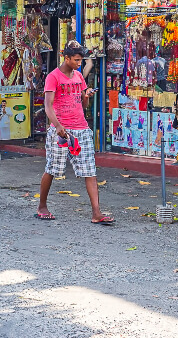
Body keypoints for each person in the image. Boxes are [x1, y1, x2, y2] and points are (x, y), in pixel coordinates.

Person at [36, 40, 114, 225]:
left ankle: (96, 212)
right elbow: (47, 106)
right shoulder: (53, 77)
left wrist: (85, 96)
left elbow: (83, 105)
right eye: (77, 60)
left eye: (81, 60)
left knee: (90, 171)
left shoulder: (79, 76)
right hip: (61, 130)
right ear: (67, 58)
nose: (80, 63)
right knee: (53, 169)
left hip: (81, 128)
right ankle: (42, 206)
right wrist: (57, 126)